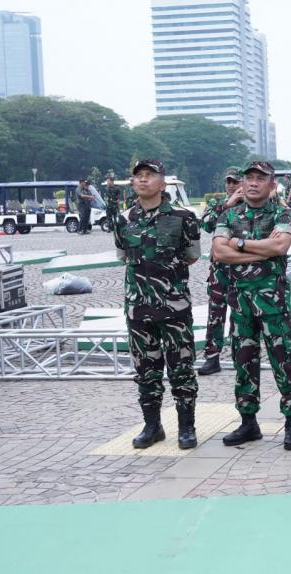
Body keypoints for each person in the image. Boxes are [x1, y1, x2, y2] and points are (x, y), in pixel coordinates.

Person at [211, 161, 291, 450]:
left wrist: (237, 244)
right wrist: (257, 251)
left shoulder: (282, 212)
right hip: (240, 302)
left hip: (272, 302)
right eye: (248, 178)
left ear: (272, 185)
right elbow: (218, 252)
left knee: (284, 361)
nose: (252, 183)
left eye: (259, 179)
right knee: (243, 361)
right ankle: (248, 422)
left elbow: (280, 247)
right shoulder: (229, 213)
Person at [113, 159, 202, 450]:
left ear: (162, 183)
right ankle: (152, 426)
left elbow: (192, 255)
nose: (142, 180)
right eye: (138, 175)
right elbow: (122, 256)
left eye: (149, 175)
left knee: (181, 368)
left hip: (173, 307)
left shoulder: (183, 216)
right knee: (145, 370)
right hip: (138, 309)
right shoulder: (124, 219)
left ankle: (186, 427)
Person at [195, 166, 244, 376]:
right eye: (229, 181)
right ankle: (212, 357)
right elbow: (205, 224)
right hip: (220, 270)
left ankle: (240, 356)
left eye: (235, 181)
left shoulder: (252, 204)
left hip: (243, 268)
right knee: (215, 313)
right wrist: (227, 205)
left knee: (241, 314)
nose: (232, 185)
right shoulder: (218, 204)